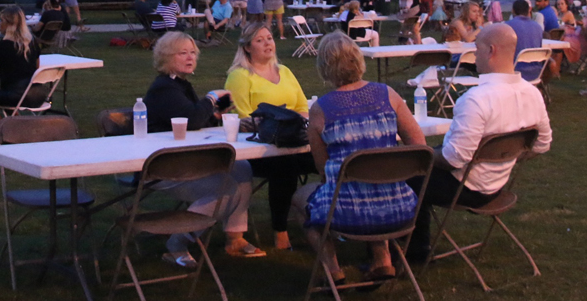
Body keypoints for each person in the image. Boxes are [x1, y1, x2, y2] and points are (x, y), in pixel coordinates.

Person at [406, 23, 550, 263]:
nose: (475, 55)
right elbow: (542, 146)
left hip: (467, 188)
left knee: (405, 173)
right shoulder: (532, 93)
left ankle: (413, 249)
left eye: (476, 48)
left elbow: (454, 159)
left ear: (490, 50)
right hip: (498, 184)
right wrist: (506, 156)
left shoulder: (475, 99)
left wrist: (422, 156)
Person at [291, 32, 425, 284]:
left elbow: (322, 170)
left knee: (301, 198)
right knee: (373, 186)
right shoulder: (389, 95)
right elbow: (418, 146)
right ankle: (382, 260)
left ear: (324, 67)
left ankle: (333, 270)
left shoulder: (320, 110)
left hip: (345, 213)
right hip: (400, 207)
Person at [143, 31, 264, 264]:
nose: (190, 58)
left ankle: (235, 236)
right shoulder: (164, 88)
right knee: (227, 191)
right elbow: (192, 119)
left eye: (193, 53)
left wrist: (215, 113)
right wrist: (210, 99)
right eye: (182, 53)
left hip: (185, 158)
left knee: (242, 168)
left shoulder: (179, 85)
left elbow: (190, 123)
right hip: (163, 168)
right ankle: (177, 243)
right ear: (167, 57)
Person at [225, 22, 314, 250]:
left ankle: (328, 218)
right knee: (285, 166)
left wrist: (292, 121)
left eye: (269, 38)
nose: (267, 43)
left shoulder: (285, 71)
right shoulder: (240, 76)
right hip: (258, 149)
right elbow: (244, 117)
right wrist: (281, 121)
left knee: (326, 158)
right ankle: (281, 230)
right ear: (247, 47)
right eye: (260, 40)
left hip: (294, 140)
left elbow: (303, 106)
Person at [506, 0, 545, 82]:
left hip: (514, 71)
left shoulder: (507, 27)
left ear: (513, 10)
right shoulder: (537, 27)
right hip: (536, 71)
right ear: (529, 11)